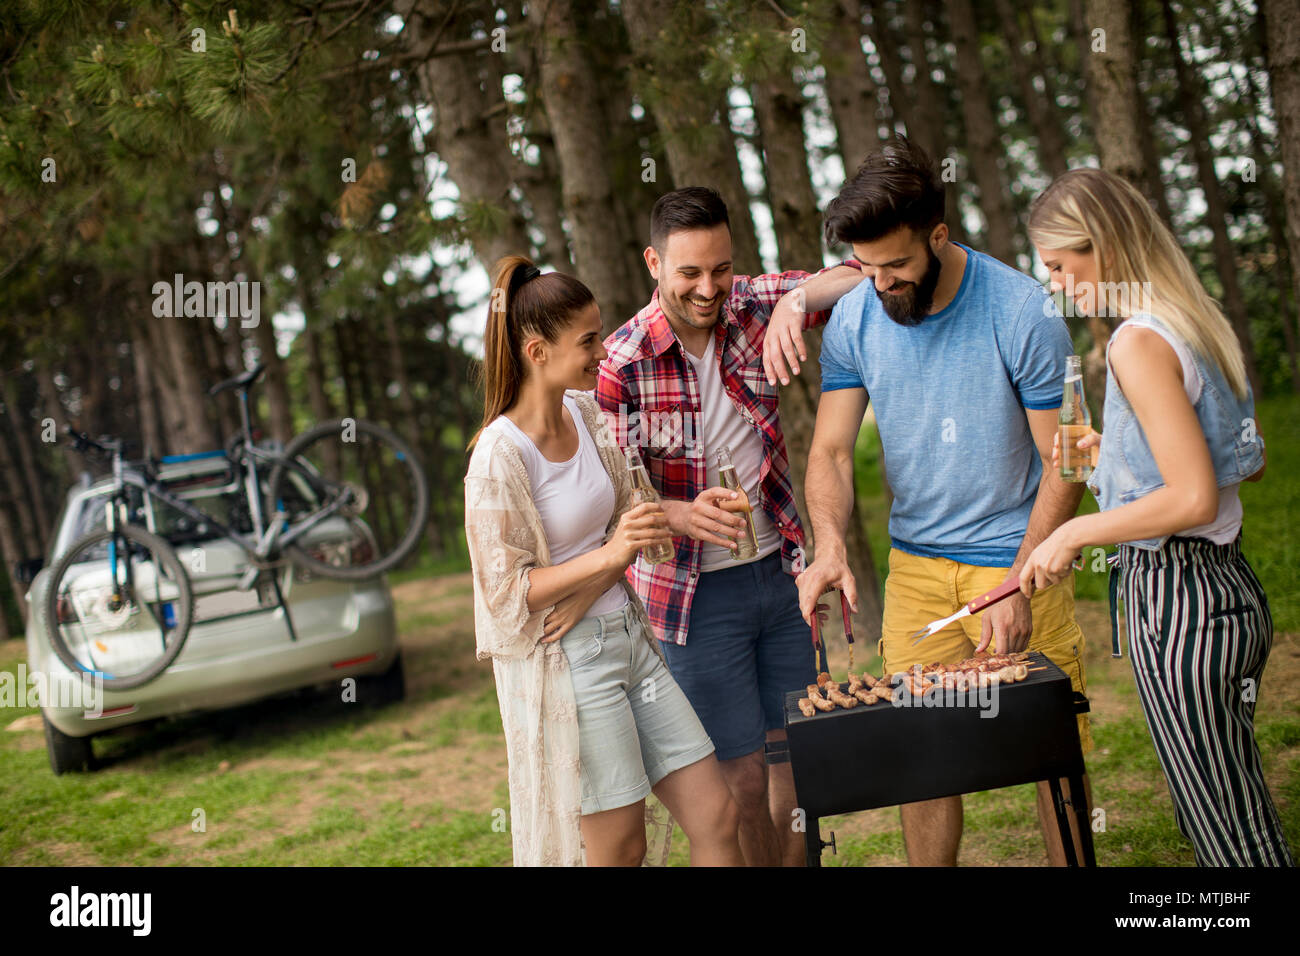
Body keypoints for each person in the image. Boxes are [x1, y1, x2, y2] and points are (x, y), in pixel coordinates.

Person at [793, 137, 1093, 867]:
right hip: (918, 572)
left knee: (1052, 758)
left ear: (938, 236)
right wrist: (829, 544)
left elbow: (1067, 459)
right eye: (866, 269)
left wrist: (1020, 579)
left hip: (1020, 561)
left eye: (897, 266)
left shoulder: (1021, 309)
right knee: (920, 758)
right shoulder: (859, 317)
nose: (883, 284)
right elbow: (831, 451)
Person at [1019, 168, 1296, 867]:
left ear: (1102, 244)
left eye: (1059, 264)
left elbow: (1193, 499)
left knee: (1231, 835)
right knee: (1226, 803)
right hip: (1231, 593)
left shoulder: (1135, 341)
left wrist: (1073, 529)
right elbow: (1240, 464)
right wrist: (1115, 454)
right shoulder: (1192, 318)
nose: (1054, 282)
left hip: (1179, 605)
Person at [596, 187, 866, 866]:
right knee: (739, 779)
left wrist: (797, 304)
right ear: (655, 262)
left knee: (800, 760)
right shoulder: (621, 364)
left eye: (719, 268)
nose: (708, 287)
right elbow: (609, 501)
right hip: (692, 600)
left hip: (783, 577)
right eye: (689, 273)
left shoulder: (750, 302)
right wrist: (680, 514)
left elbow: (857, 276)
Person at [464, 255, 743, 867]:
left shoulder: (587, 416)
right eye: (588, 340)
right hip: (571, 664)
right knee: (618, 848)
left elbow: (632, 512)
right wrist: (611, 557)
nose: (603, 350)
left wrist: (688, 512)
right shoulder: (498, 457)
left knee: (716, 813)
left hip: (630, 638)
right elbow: (505, 593)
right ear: (537, 351)